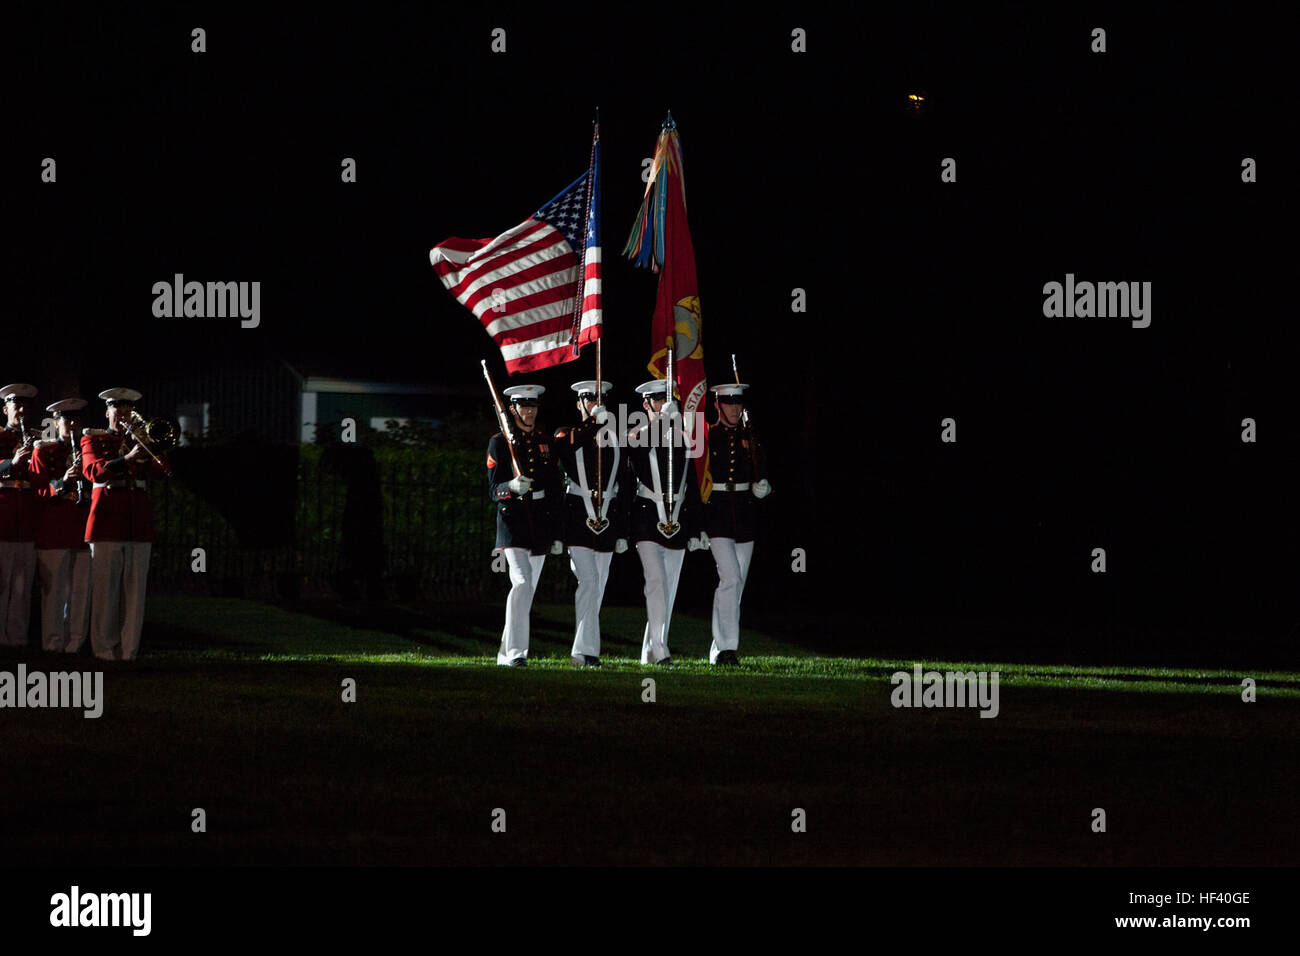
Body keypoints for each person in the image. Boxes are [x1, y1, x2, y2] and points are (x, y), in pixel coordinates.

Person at [80, 387, 170, 661]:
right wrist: (127, 459)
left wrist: (151, 446)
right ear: (107, 412)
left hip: (137, 520)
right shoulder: (92, 439)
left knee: (135, 592)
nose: (122, 414)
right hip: (107, 518)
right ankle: (104, 650)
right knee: (106, 590)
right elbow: (92, 471)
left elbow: (163, 470)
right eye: (116, 409)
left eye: (127, 410)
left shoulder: (141, 440)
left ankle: (129, 650)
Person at [626, 379, 705, 666]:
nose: (663, 405)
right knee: (656, 582)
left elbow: (693, 485)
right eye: (657, 401)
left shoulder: (685, 437)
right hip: (647, 517)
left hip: (678, 519)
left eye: (666, 400)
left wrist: (697, 528)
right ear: (646, 405)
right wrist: (661, 422)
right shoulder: (638, 433)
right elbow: (633, 449)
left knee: (668, 587)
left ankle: (651, 647)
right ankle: (661, 649)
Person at [486, 384, 562, 666]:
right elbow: (494, 490)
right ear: (513, 409)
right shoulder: (500, 442)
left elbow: (555, 490)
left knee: (527, 591)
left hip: (539, 523)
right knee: (522, 582)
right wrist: (511, 486)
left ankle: (506, 652)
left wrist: (556, 532)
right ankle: (517, 654)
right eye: (523, 406)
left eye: (533, 406)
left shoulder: (545, 441)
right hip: (514, 522)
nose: (529, 411)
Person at [553, 380, 627, 668]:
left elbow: (623, 487)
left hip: (607, 520)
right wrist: (594, 424)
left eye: (600, 399)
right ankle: (588, 652)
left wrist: (622, 530)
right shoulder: (567, 433)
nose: (596, 403)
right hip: (577, 520)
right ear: (579, 404)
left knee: (598, 585)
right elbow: (566, 447)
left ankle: (580, 652)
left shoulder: (615, 438)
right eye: (589, 399)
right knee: (590, 582)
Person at [704, 383, 770, 666]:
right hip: (717, 511)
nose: (734, 409)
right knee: (730, 577)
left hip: (743, 513)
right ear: (717, 405)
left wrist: (763, 485)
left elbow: (760, 467)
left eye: (738, 404)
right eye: (728, 403)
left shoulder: (749, 436)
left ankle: (719, 646)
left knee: (737, 583)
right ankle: (726, 648)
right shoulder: (708, 436)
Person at [30, 398, 92, 653]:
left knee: (81, 591)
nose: (72, 425)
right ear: (56, 423)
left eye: (76, 420)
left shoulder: (89, 449)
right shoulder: (44, 451)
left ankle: (75, 643)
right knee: (55, 592)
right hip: (54, 529)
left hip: (81, 528)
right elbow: (38, 490)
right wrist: (63, 482)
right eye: (66, 420)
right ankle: (53, 643)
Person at [0, 384, 40, 647]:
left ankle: (17, 637)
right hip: (3, 511)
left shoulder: (36, 437)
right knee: (2, 581)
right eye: (17, 406)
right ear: (6, 409)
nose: (22, 410)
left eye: (26, 406)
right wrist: (10, 463)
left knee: (23, 584)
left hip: (26, 513)